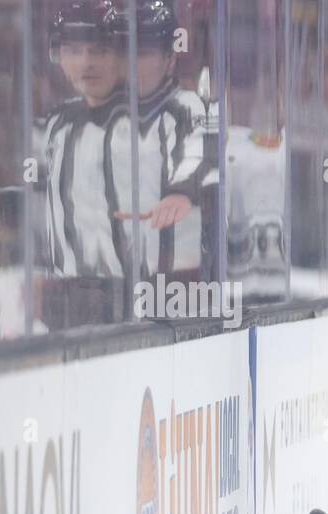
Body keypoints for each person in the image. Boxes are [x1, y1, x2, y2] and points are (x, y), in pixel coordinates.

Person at [106, 0, 215, 284]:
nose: (132, 63)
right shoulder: (110, 115)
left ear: (170, 59)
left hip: (180, 276)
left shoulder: (185, 106)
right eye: (125, 52)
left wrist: (182, 191)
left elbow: (197, 150)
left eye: (144, 53)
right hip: (119, 275)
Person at [37, 0, 126, 329]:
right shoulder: (55, 126)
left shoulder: (150, 125)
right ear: (58, 55)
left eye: (99, 49)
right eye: (73, 49)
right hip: (63, 295)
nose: (86, 62)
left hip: (127, 299)